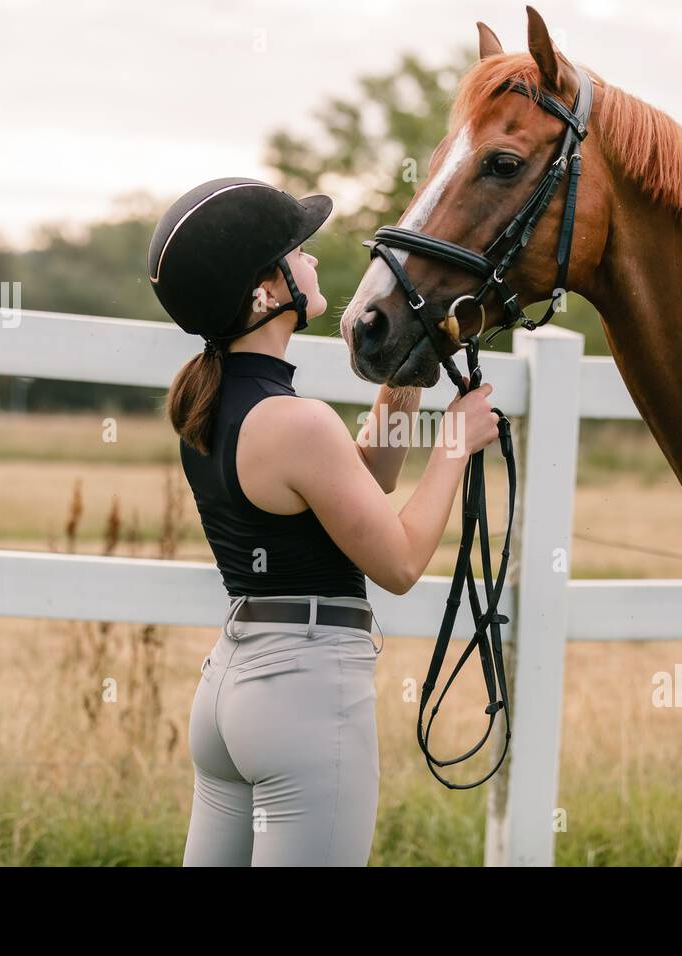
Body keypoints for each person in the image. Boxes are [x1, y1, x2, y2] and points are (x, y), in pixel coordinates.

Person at [147, 177, 499, 866]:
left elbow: (362, 488)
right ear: (264, 292)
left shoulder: (215, 406)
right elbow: (397, 563)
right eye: (297, 252)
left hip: (232, 690)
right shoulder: (297, 421)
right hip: (305, 694)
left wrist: (404, 384)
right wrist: (456, 445)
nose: (311, 261)